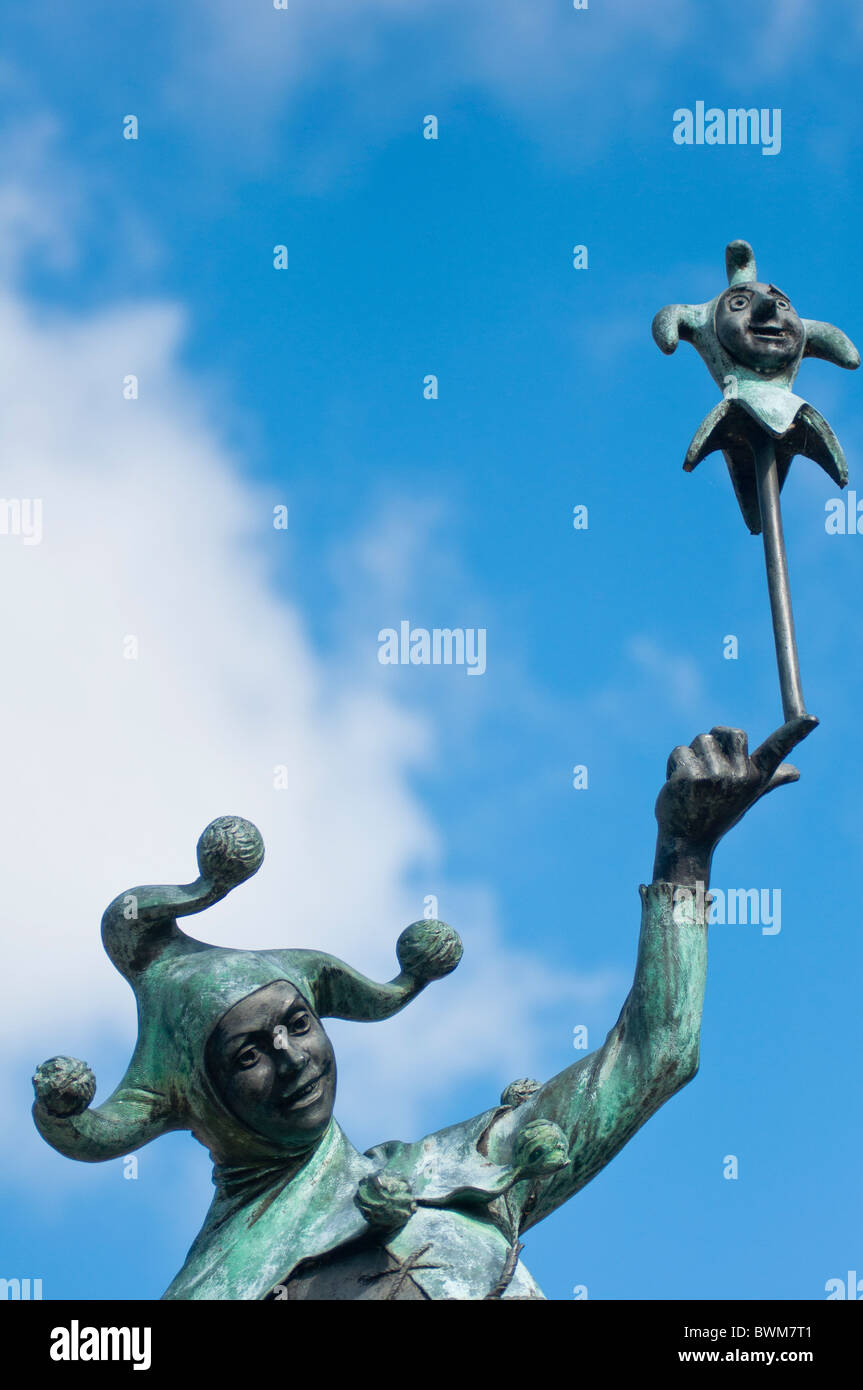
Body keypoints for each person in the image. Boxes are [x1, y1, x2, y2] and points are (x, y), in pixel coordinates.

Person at [32, 715, 815, 1300]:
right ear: (203, 1099)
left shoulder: (457, 1171)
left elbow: (655, 1056)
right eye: (246, 1055)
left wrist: (684, 854)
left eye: (297, 1023)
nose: (292, 1057)